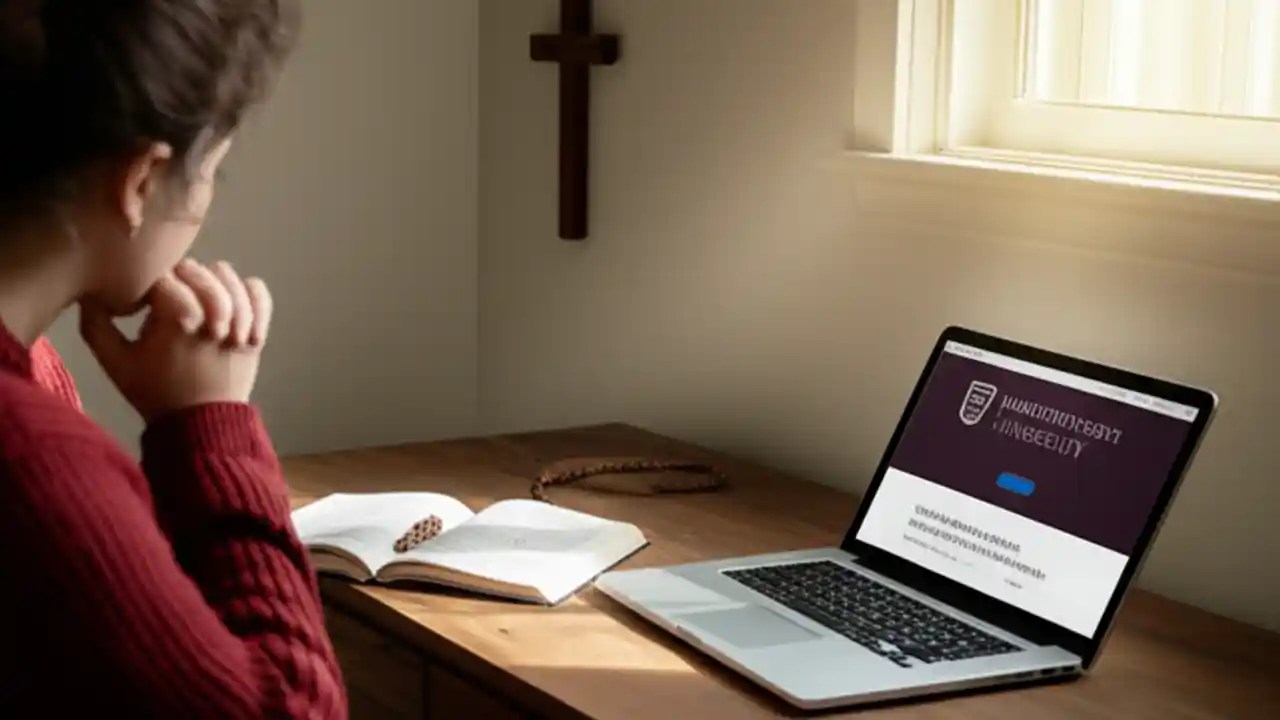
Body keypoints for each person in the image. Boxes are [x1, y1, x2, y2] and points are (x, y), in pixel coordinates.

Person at [0, 1, 347, 716]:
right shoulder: (31, 459)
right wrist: (209, 427)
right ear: (140, 182)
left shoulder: (36, 374)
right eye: (213, 171)